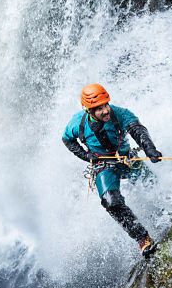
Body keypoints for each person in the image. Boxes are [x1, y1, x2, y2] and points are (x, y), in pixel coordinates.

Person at [62, 83, 163, 257]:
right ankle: (142, 238)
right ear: (88, 110)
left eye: (105, 105)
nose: (105, 111)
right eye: (98, 108)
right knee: (111, 202)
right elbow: (67, 140)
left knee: (153, 185)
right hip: (103, 165)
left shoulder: (120, 114)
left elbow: (138, 131)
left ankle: (165, 213)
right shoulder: (77, 124)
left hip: (127, 159)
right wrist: (86, 156)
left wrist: (149, 149)